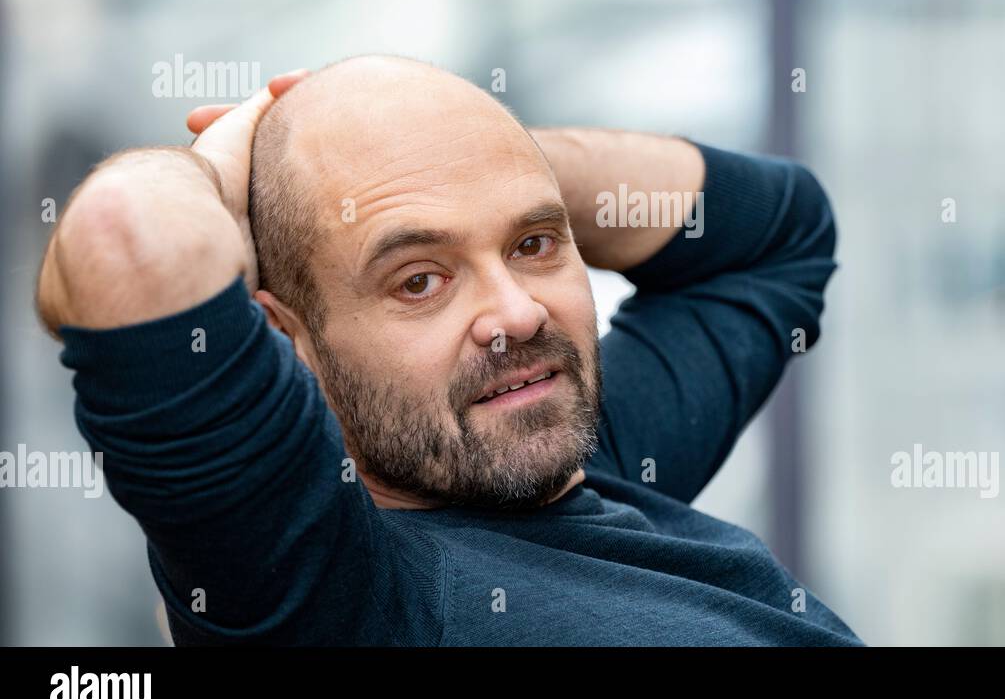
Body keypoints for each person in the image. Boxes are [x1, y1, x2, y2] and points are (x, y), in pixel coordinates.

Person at [36, 55, 863, 645]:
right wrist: (234, 174)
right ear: (289, 344)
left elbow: (779, 236)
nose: (515, 313)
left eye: (535, 244)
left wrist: (450, 147)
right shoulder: (335, 593)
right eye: (419, 282)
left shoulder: (591, 457)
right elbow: (125, 243)